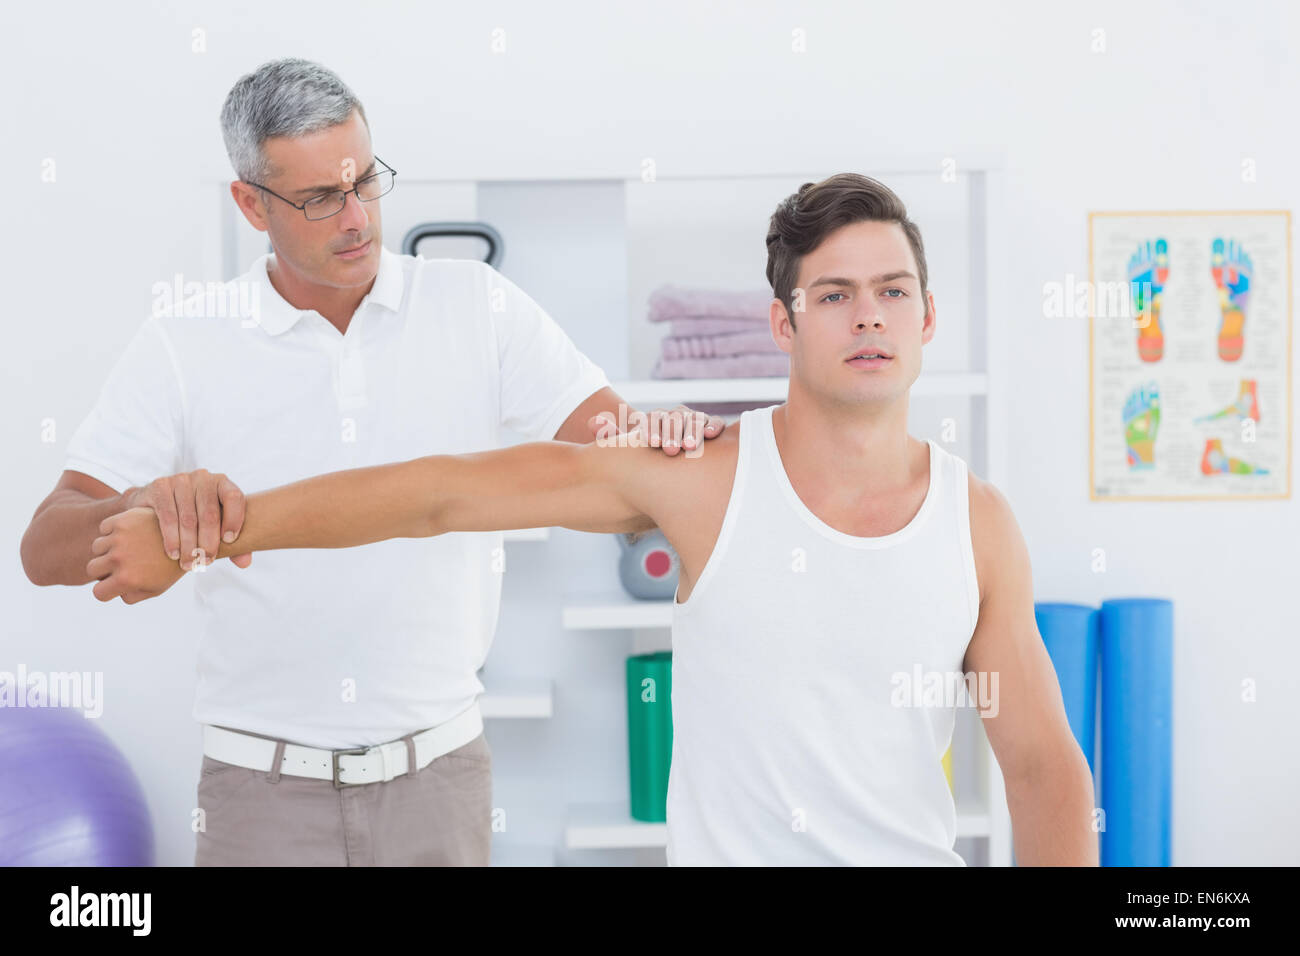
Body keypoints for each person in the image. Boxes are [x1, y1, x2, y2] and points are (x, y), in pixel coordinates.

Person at [88, 172, 1098, 865]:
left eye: (891, 290)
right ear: (783, 324)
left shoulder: (977, 521)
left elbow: (1043, 762)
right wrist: (217, 528)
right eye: (833, 294)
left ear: (927, 319)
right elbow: (443, 491)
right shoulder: (693, 476)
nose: (868, 314)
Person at [19, 58, 725, 867]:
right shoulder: (185, 342)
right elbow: (44, 548)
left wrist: (657, 443)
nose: (356, 217)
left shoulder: (478, 307)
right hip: (259, 796)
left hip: (440, 783)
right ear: (250, 203)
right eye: (320, 197)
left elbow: (620, 459)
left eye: (366, 182)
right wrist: (151, 503)